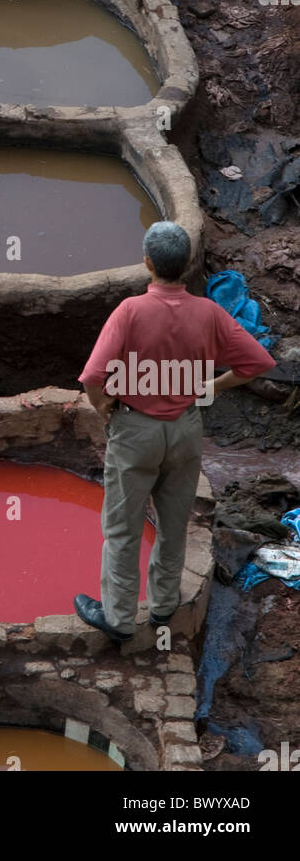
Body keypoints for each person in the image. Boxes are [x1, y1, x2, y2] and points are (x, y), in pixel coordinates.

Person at [74, 221, 276, 642]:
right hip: (184, 430)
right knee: (172, 524)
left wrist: (104, 407)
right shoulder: (209, 312)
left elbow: (93, 377)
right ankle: (164, 606)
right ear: (186, 266)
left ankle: (118, 618)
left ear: (147, 263)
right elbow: (258, 363)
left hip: (135, 432)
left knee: (122, 527)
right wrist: (210, 387)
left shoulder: (130, 311)